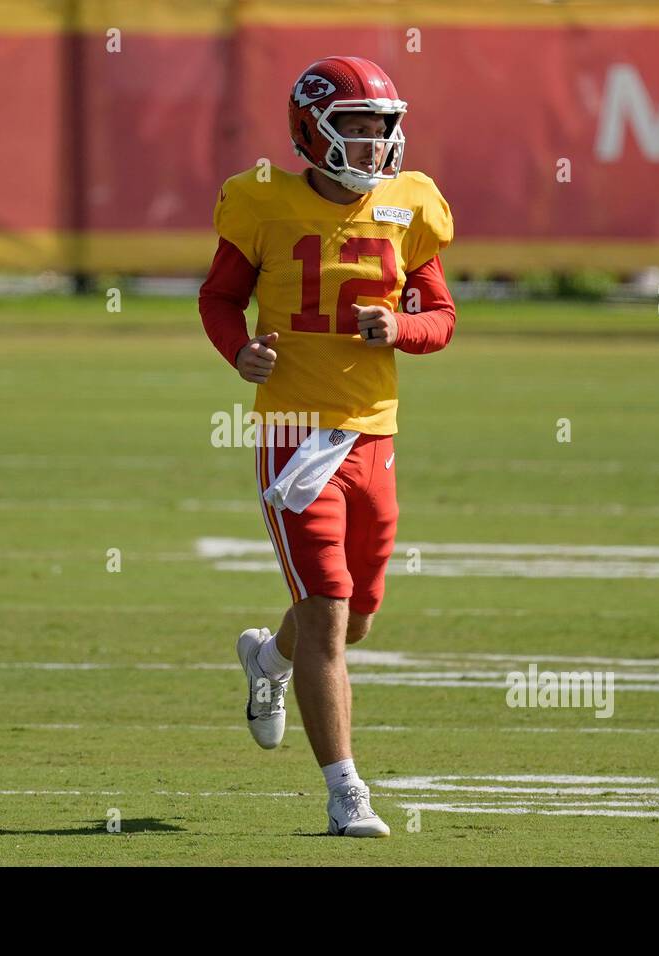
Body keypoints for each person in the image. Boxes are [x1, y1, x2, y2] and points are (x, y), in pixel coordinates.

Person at [198, 55, 456, 837]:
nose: (374, 143)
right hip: (293, 439)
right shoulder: (261, 203)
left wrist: (403, 328)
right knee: (328, 614)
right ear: (312, 130)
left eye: (382, 128)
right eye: (355, 125)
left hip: (374, 434)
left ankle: (266, 662)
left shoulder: (411, 206)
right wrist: (238, 352)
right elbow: (218, 297)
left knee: (360, 617)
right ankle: (347, 793)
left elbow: (440, 316)